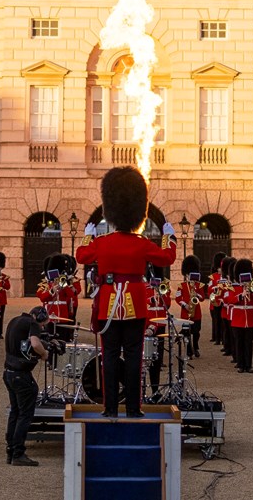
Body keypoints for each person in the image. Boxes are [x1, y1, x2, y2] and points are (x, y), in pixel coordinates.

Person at [73, 166, 177, 417]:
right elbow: (168, 258)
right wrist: (169, 237)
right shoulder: (142, 244)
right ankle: (133, 408)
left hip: (108, 303)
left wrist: (87, 236)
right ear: (136, 214)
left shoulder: (102, 243)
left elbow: (81, 255)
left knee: (109, 357)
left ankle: (109, 409)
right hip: (136, 303)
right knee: (133, 358)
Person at [3, 305, 53, 467]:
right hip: (21, 374)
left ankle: (11, 450)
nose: (42, 327)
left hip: (9, 372)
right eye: (43, 324)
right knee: (25, 414)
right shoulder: (32, 324)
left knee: (15, 412)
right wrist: (44, 354)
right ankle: (18, 452)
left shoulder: (14, 321)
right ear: (38, 318)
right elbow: (35, 343)